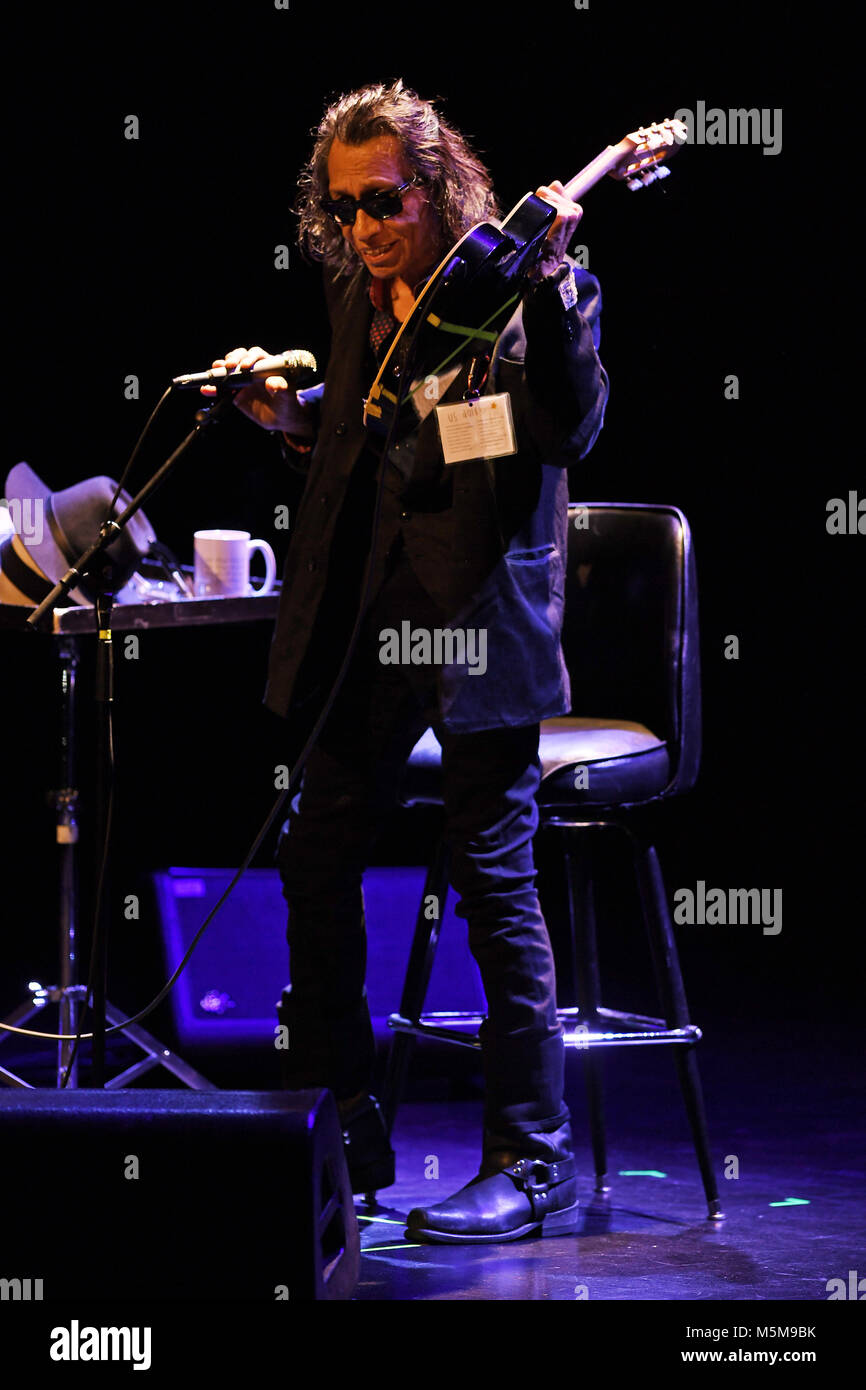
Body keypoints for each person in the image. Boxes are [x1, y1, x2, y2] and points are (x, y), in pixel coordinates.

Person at [202, 79, 608, 1243]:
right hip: (362, 622)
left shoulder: (523, 287)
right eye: (342, 211)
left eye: (383, 202)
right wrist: (286, 415)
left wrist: (557, 288)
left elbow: (569, 426)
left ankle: (531, 1163)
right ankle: (345, 1129)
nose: (364, 229)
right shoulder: (360, 297)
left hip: (475, 617)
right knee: (314, 848)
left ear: (437, 189)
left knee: (490, 871)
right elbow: (376, 426)